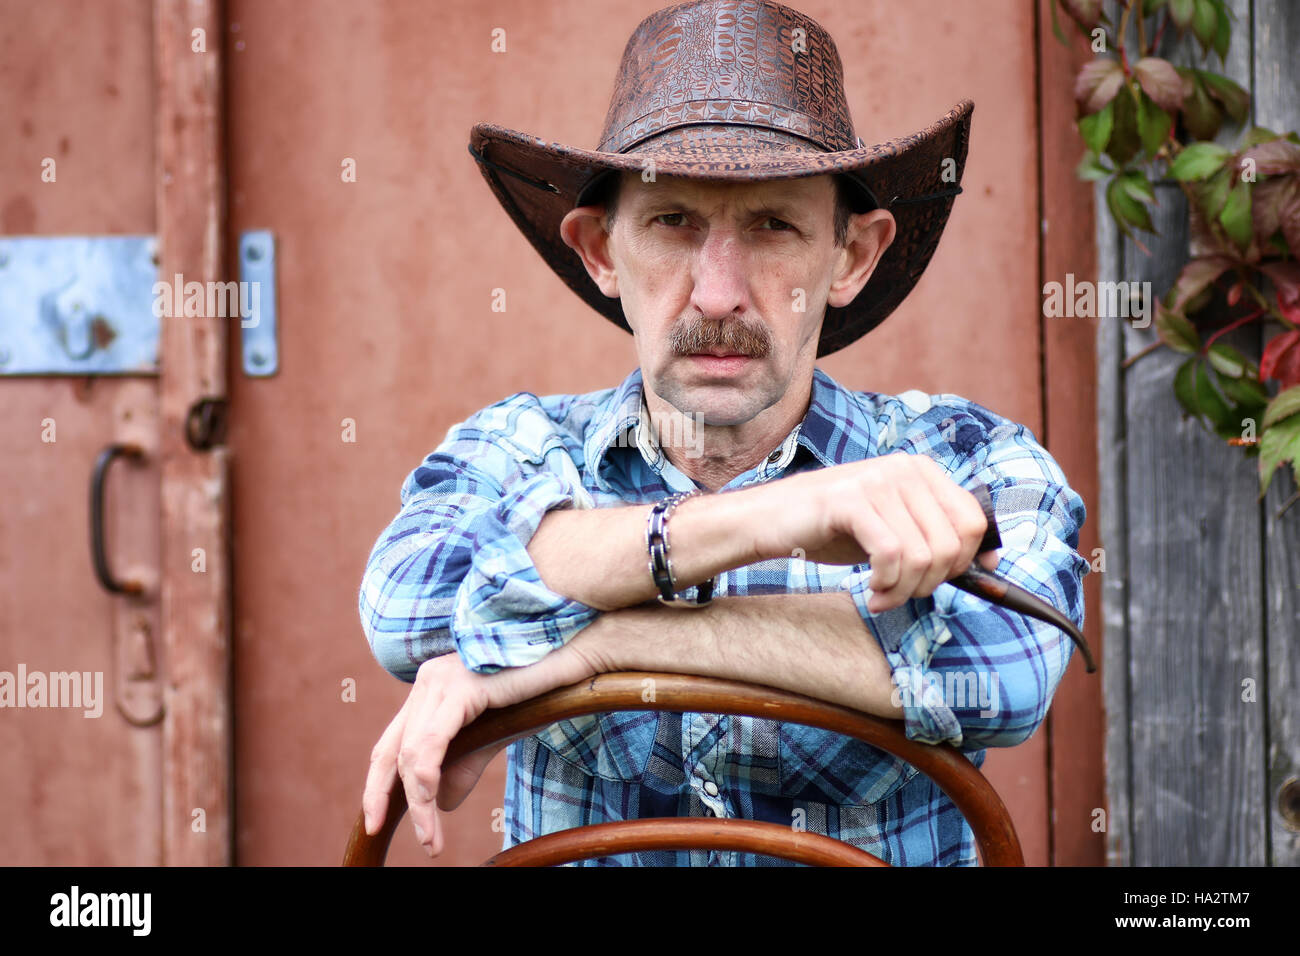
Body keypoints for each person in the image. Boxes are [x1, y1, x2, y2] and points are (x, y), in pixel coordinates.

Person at [357, 0, 1089, 866]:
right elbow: (403, 610)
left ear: (851, 255)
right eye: (673, 223)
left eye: (773, 225)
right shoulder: (518, 450)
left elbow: (1006, 670)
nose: (716, 294)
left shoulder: (966, 459)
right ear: (600, 251)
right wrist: (775, 518)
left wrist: (590, 641)